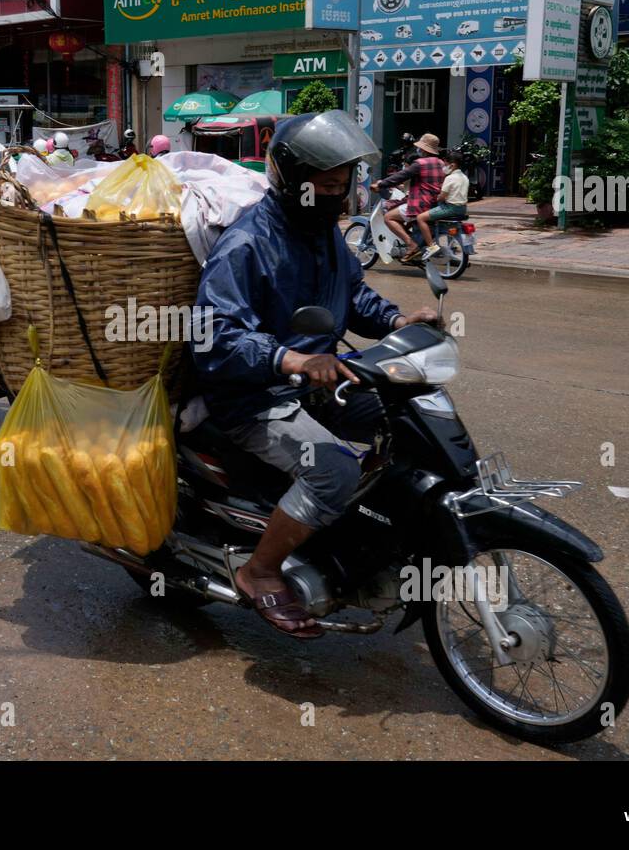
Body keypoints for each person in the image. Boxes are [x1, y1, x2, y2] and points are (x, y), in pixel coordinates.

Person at [192, 110, 438, 638]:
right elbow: (216, 336)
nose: (338, 196)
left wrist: (400, 319)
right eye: (326, 185)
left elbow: (353, 297)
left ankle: (358, 543)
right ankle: (260, 571)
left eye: (342, 185)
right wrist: (293, 359)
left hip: (319, 384)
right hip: (257, 398)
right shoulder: (247, 244)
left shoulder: (325, 233)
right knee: (334, 471)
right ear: (291, 179)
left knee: (408, 418)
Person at [377, 132, 445, 263]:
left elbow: (400, 176)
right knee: (400, 212)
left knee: (388, 217)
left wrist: (381, 184)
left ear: (424, 149)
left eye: (420, 147)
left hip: (420, 203)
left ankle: (411, 244)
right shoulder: (441, 163)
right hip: (435, 204)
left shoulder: (420, 163)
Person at [413, 149, 469, 260]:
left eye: (446, 164)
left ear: (452, 165)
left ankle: (431, 246)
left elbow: (442, 197)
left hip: (450, 208)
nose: (444, 167)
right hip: (462, 209)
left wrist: (438, 197)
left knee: (420, 218)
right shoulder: (464, 177)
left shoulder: (450, 178)